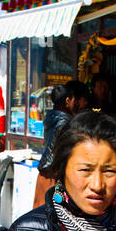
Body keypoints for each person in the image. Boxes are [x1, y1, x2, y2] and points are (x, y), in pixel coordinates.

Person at [32, 80, 90, 208]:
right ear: (68, 101)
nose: (78, 103)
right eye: (75, 99)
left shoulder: (51, 117)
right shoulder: (66, 122)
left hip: (45, 173)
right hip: (53, 176)